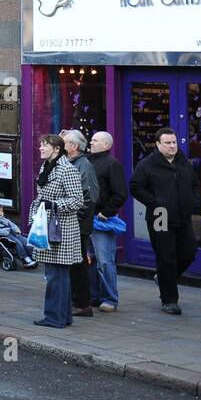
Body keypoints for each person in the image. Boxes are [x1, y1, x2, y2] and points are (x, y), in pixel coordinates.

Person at [130, 127, 201, 315]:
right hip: (159, 216)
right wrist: (155, 203)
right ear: (158, 144)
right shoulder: (147, 164)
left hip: (183, 215)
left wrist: (194, 202)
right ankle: (169, 300)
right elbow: (136, 187)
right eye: (168, 143)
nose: (172, 146)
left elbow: (195, 184)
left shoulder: (183, 162)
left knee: (189, 252)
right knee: (166, 255)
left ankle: (162, 277)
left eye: (174, 142)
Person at [31, 134, 84, 329]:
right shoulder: (47, 166)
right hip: (48, 228)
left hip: (62, 231)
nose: (41, 149)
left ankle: (54, 318)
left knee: (56, 276)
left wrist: (53, 204)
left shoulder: (67, 170)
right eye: (41, 145)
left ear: (56, 149)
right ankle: (63, 317)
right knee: (57, 276)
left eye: (45, 146)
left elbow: (77, 200)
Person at [60, 129, 99, 318]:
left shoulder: (83, 165)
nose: (61, 145)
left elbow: (89, 197)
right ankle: (77, 301)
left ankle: (83, 304)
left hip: (77, 224)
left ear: (74, 146)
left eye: (64, 142)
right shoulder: (71, 162)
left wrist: (75, 219)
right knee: (74, 263)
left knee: (77, 264)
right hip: (72, 222)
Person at [88, 131, 126, 312]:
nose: (91, 142)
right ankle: (93, 296)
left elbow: (121, 193)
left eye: (95, 140)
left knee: (104, 260)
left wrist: (106, 212)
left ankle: (110, 298)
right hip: (86, 218)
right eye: (91, 139)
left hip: (101, 219)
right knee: (89, 259)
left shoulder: (112, 164)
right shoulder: (87, 161)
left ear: (106, 145)